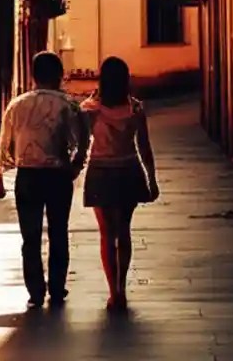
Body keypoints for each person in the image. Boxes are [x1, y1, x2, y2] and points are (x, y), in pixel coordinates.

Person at [0, 51, 89, 309]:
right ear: (59, 75)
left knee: (30, 236)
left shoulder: (17, 105)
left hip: (28, 177)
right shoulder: (69, 105)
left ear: (33, 75)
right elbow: (81, 141)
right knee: (59, 232)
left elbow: (4, 142)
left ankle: (35, 290)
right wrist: (75, 167)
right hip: (58, 176)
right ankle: (57, 287)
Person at [80, 57, 159, 310]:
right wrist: (152, 178)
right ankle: (122, 288)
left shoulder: (91, 109)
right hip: (128, 170)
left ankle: (112, 291)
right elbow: (144, 147)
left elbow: (82, 143)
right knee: (124, 232)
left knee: (106, 234)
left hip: (101, 172)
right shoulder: (135, 109)